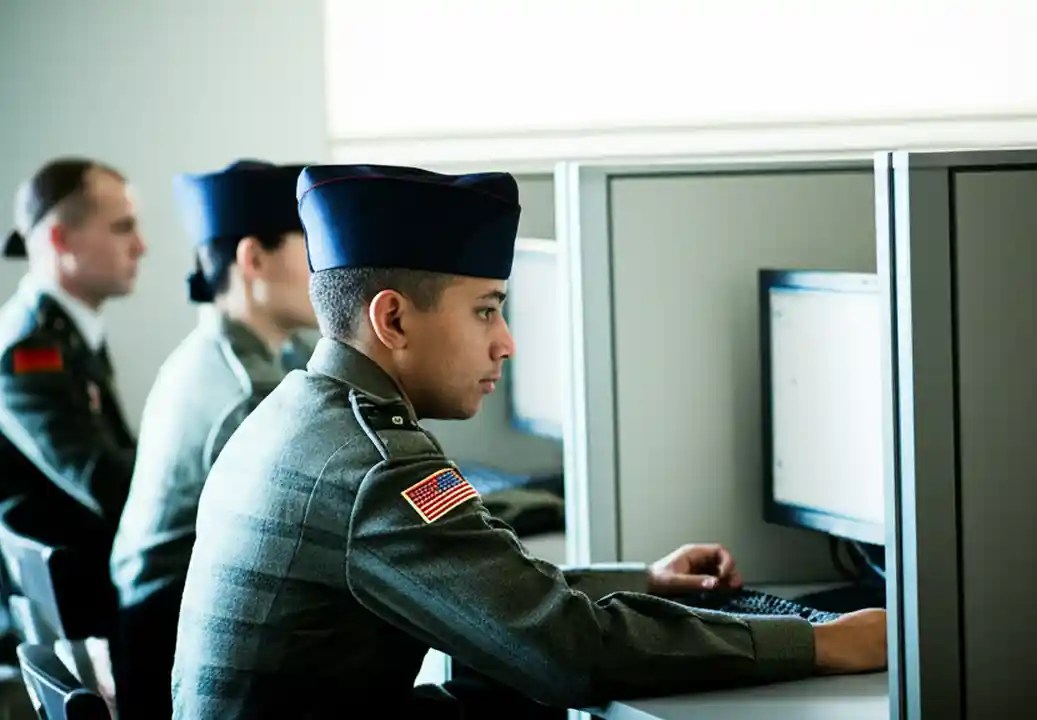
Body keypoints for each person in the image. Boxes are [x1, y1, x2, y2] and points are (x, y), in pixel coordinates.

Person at [171, 164, 887, 718]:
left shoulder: (295, 412)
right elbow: (566, 652)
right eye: (485, 312)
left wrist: (643, 582)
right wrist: (823, 643)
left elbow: (494, 590)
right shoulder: (374, 464)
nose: (506, 344)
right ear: (392, 320)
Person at [109, 159, 317, 719]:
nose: (329, 267)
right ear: (253, 258)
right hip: (169, 642)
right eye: (312, 245)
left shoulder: (210, 357)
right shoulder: (247, 391)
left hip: (153, 618)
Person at [0, 157, 145, 641]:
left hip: (90, 584)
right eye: (123, 228)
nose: (140, 246)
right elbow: (101, 481)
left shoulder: (62, 332)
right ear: (61, 239)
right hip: (78, 605)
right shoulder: (30, 348)